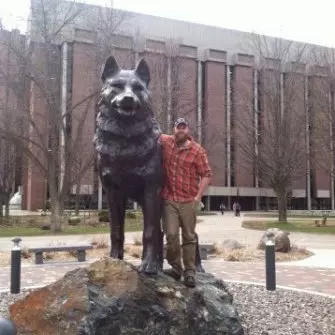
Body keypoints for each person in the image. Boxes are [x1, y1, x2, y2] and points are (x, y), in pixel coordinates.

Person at [160, 117, 212, 288]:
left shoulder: (197, 151)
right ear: (174, 129)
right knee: (172, 235)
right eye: (177, 127)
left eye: (183, 128)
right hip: (170, 199)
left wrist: (198, 197)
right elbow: (150, 133)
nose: (180, 130)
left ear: (188, 130)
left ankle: (189, 271)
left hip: (189, 200)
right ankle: (176, 267)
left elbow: (206, 174)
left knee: (189, 237)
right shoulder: (166, 142)